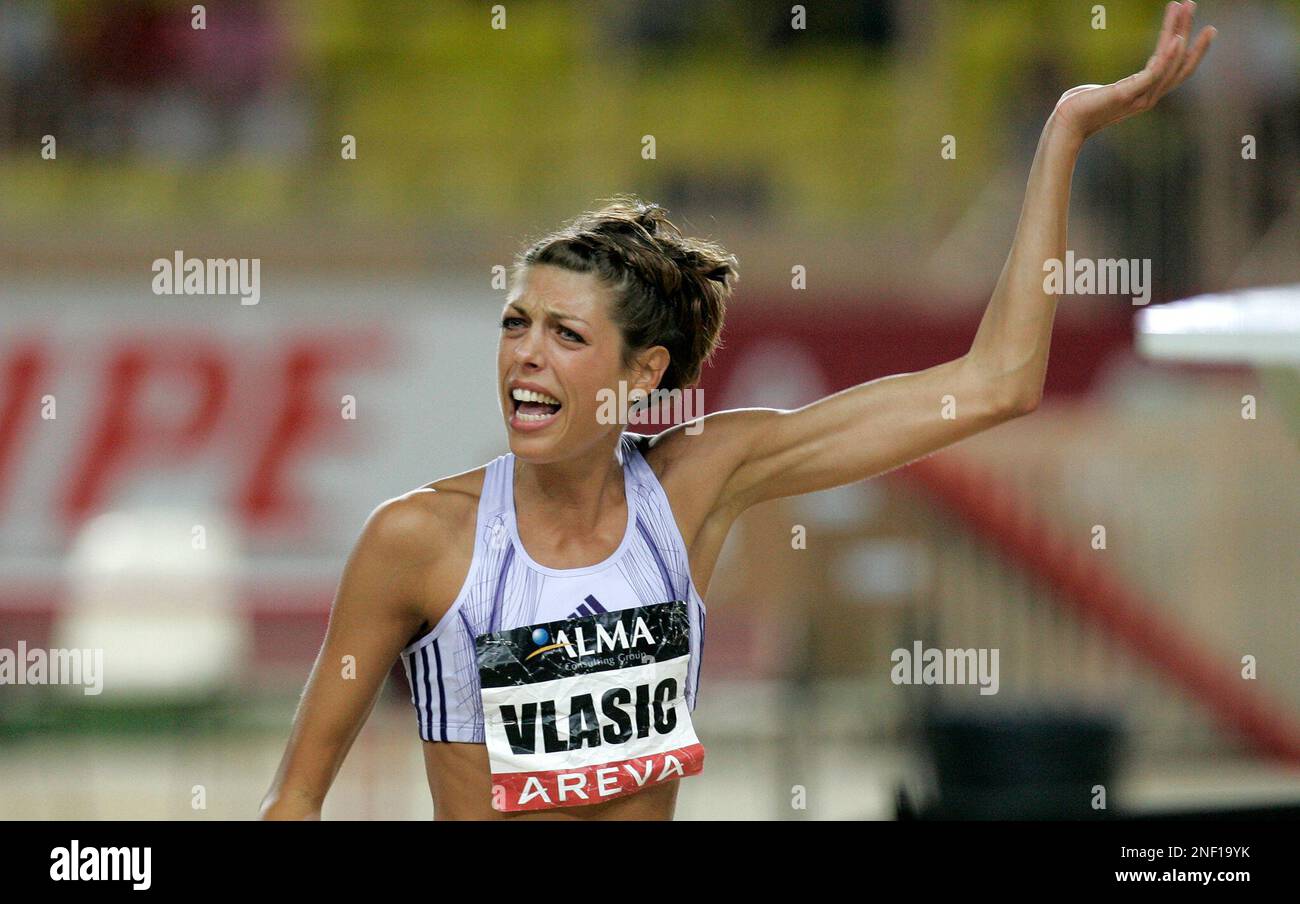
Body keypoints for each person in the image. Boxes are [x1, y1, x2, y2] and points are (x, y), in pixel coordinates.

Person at [260, 1, 1214, 821]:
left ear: (643, 376)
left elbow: (999, 381)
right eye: (517, 323)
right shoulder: (417, 541)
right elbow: (294, 801)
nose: (525, 354)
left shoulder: (697, 485)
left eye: (565, 335)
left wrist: (1062, 136)